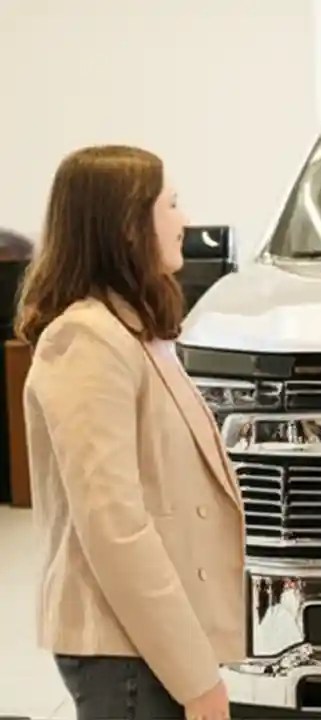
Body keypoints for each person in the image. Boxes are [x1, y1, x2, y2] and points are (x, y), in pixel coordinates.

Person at [19, 146, 242, 719]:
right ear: (126, 225)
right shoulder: (87, 341)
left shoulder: (133, 331)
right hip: (128, 650)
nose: (185, 221)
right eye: (170, 204)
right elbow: (115, 528)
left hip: (150, 644)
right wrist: (196, 680)